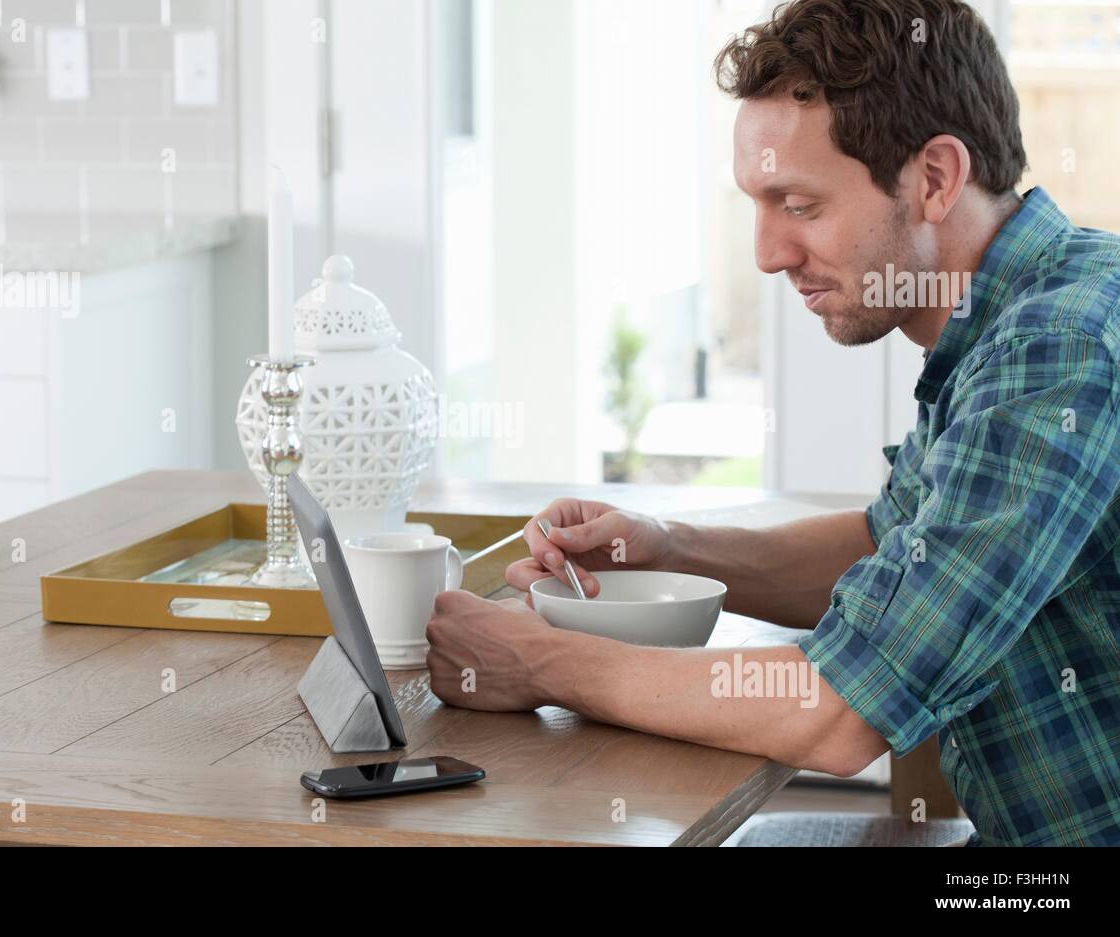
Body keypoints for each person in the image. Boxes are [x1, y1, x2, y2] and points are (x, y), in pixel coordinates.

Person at [424, 0, 1120, 846]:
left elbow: (840, 708)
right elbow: (893, 548)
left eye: (797, 202)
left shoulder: (1057, 354)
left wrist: (534, 662)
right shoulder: (1014, 311)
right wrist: (668, 544)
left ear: (935, 177)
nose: (766, 252)